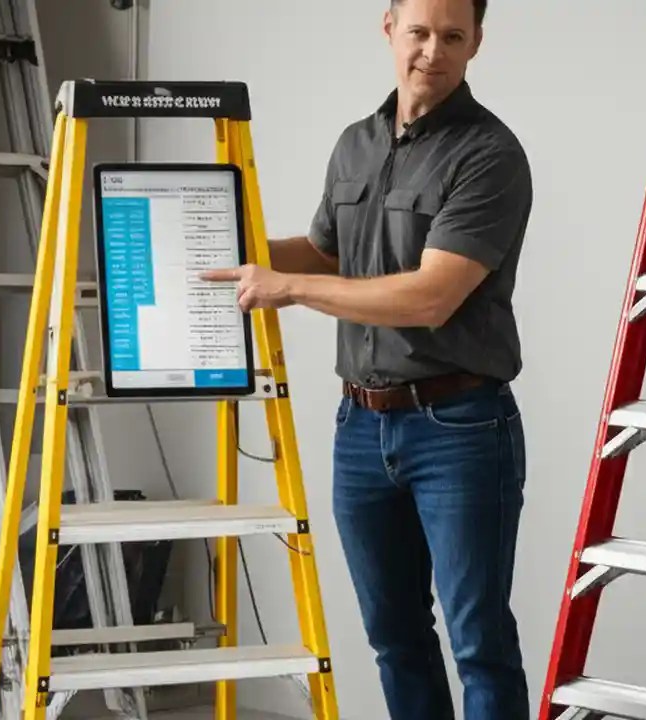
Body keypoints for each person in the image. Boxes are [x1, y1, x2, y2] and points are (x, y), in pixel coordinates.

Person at [200, 0, 532, 716]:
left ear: (477, 41)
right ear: (389, 31)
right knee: (395, 636)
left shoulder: (489, 155)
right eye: (419, 32)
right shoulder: (356, 143)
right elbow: (325, 252)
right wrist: (209, 234)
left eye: (452, 36)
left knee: (478, 642)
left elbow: (429, 298)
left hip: (460, 430)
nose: (432, 52)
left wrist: (287, 289)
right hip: (361, 429)